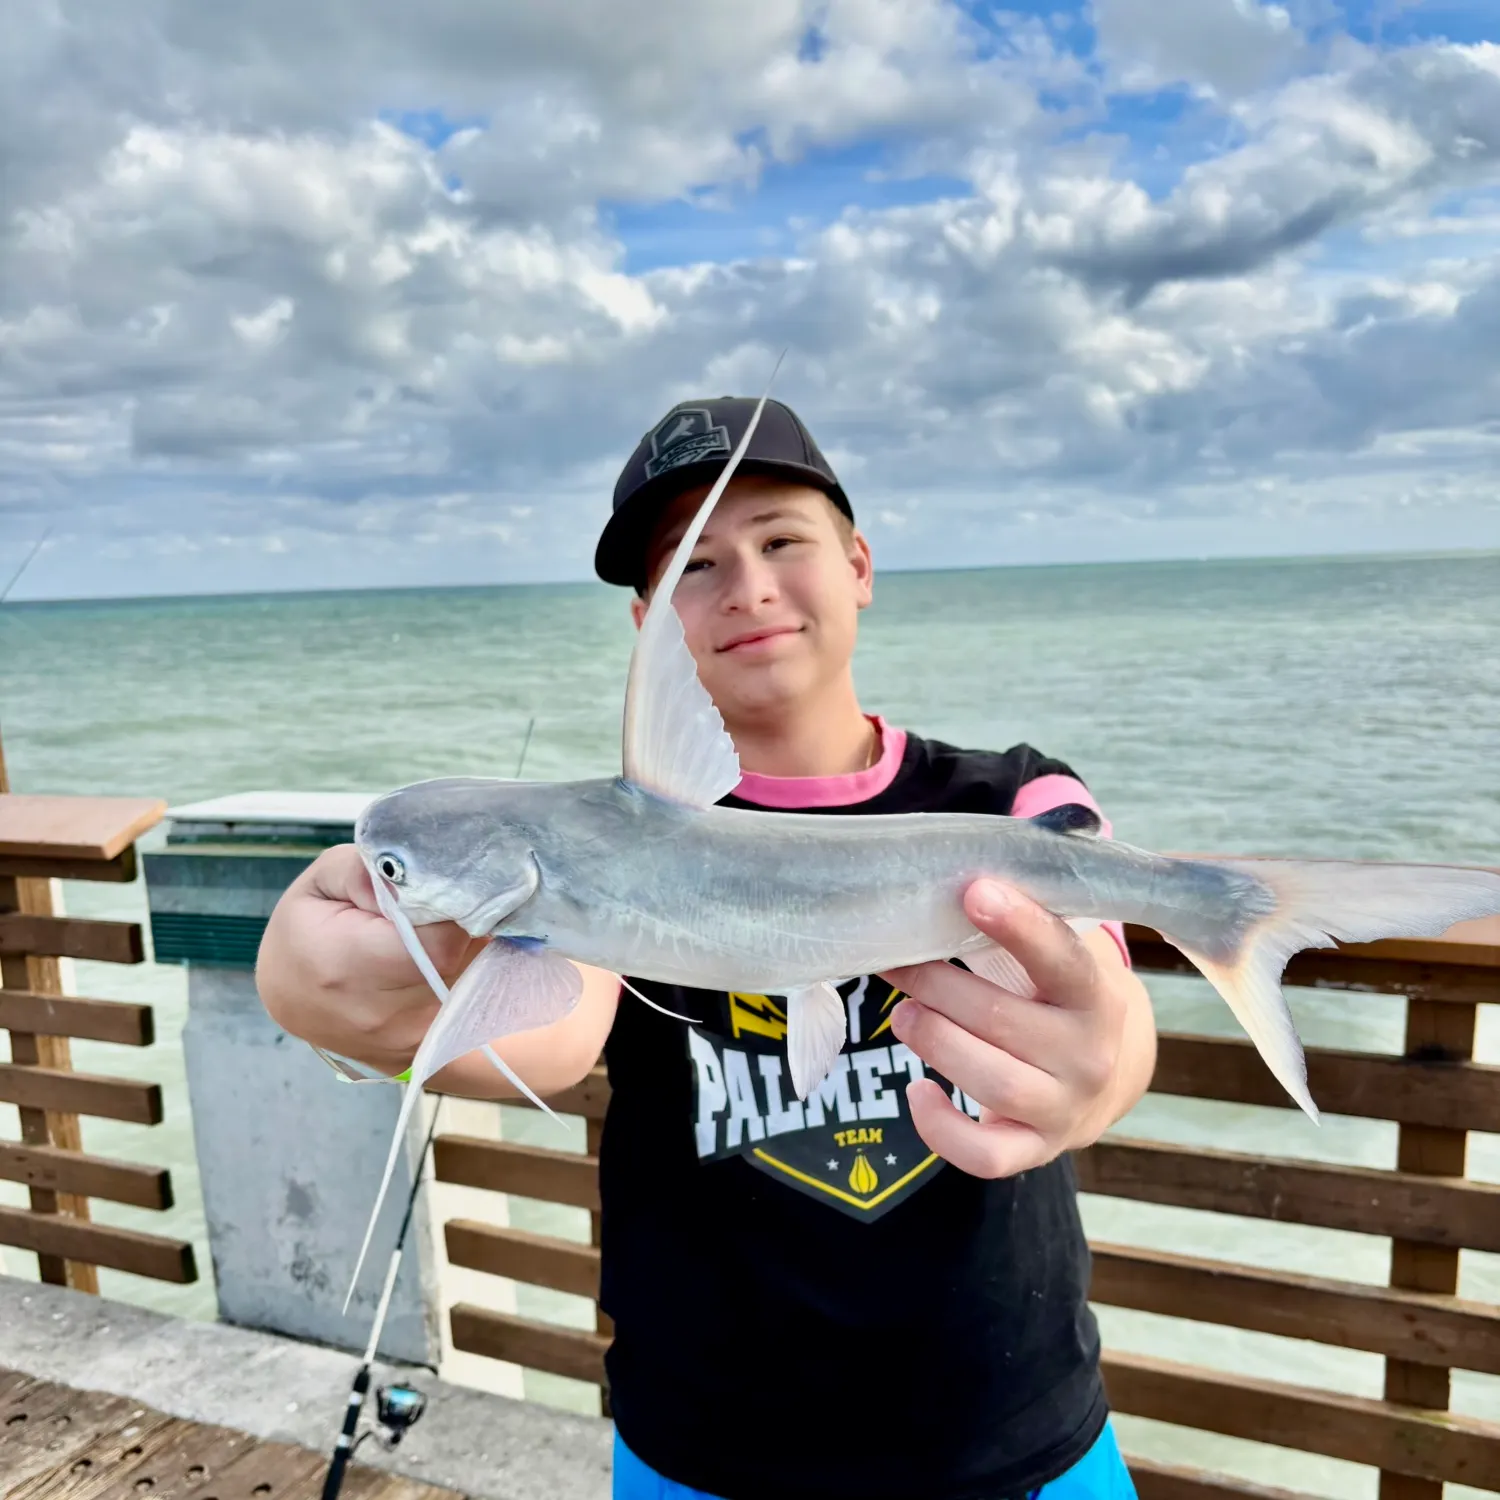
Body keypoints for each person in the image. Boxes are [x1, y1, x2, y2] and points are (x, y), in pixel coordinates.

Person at [256, 396, 1157, 1500]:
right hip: (706, 1451)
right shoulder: (600, 854)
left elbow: (1111, 1012)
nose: (748, 587)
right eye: (695, 565)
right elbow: (542, 1035)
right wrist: (330, 996)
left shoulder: (1017, 800)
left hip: (1019, 1435)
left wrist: (1099, 1070)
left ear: (860, 564)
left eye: (782, 540)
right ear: (648, 627)